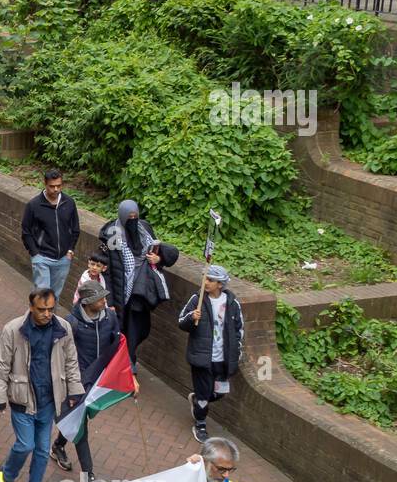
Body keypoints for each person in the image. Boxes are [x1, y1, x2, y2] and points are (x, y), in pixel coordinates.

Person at [0, 288, 83, 482]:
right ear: (31, 307)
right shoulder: (14, 330)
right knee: (25, 445)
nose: (47, 314)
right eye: (42, 309)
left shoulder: (64, 328)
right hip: (22, 399)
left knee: (42, 449)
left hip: (49, 401)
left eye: (51, 309)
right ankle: (7, 476)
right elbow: (1, 365)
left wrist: (74, 390)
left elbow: (71, 361)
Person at [50, 279, 119, 482]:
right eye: (100, 299)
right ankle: (88, 473)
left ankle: (58, 446)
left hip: (98, 381)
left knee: (75, 419)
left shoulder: (111, 317)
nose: (105, 301)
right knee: (80, 423)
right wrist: (69, 388)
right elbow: (59, 355)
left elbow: (118, 344)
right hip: (76, 383)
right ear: (88, 302)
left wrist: (128, 375)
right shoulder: (71, 323)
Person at [99, 199, 179, 371]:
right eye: (129, 218)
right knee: (123, 328)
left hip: (140, 289)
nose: (133, 221)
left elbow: (156, 250)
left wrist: (159, 259)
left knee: (140, 328)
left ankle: (128, 358)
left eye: (136, 216)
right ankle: (127, 362)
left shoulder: (145, 229)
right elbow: (109, 269)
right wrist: (110, 300)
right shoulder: (113, 234)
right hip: (122, 291)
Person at [177, 266, 244, 444]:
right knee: (204, 394)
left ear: (220, 284)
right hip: (202, 357)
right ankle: (200, 424)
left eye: (211, 280)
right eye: (205, 279)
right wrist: (192, 317)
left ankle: (198, 399)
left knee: (220, 392)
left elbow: (238, 329)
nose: (206, 283)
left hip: (222, 359)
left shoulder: (232, 303)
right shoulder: (197, 299)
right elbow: (181, 322)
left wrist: (236, 349)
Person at [20, 168, 80, 303]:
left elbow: (75, 229)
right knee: (42, 296)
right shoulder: (34, 205)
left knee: (55, 297)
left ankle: (50, 322)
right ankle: (35, 322)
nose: (56, 189)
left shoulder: (69, 203)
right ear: (45, 184)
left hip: (63, 259)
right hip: (42, 258)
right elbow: (26, 231)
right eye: (52, 186)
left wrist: (70, 250)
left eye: (59, 185)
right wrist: (34, 253)